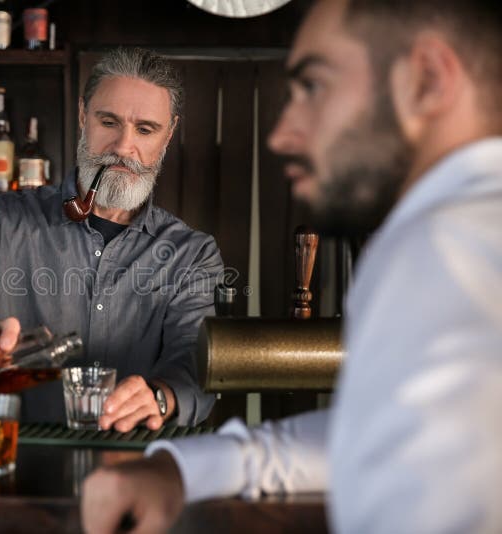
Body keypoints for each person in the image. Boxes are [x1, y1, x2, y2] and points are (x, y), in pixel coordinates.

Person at [81, 0, 502, 532]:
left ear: (426, 81)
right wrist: (180, 470)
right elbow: (378, 433)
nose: (282, 134)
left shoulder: (445, 245)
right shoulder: (448, 234)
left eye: (314, 86)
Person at [0, 48, 223, 430]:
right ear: (84, 117)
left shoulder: (192, 254)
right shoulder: (1, 221)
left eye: (145, 129)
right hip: (15, 465)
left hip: (136, 473)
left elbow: (196, 363)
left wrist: (160, 398)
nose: (122, 147)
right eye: (108, 122)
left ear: (168, 135)